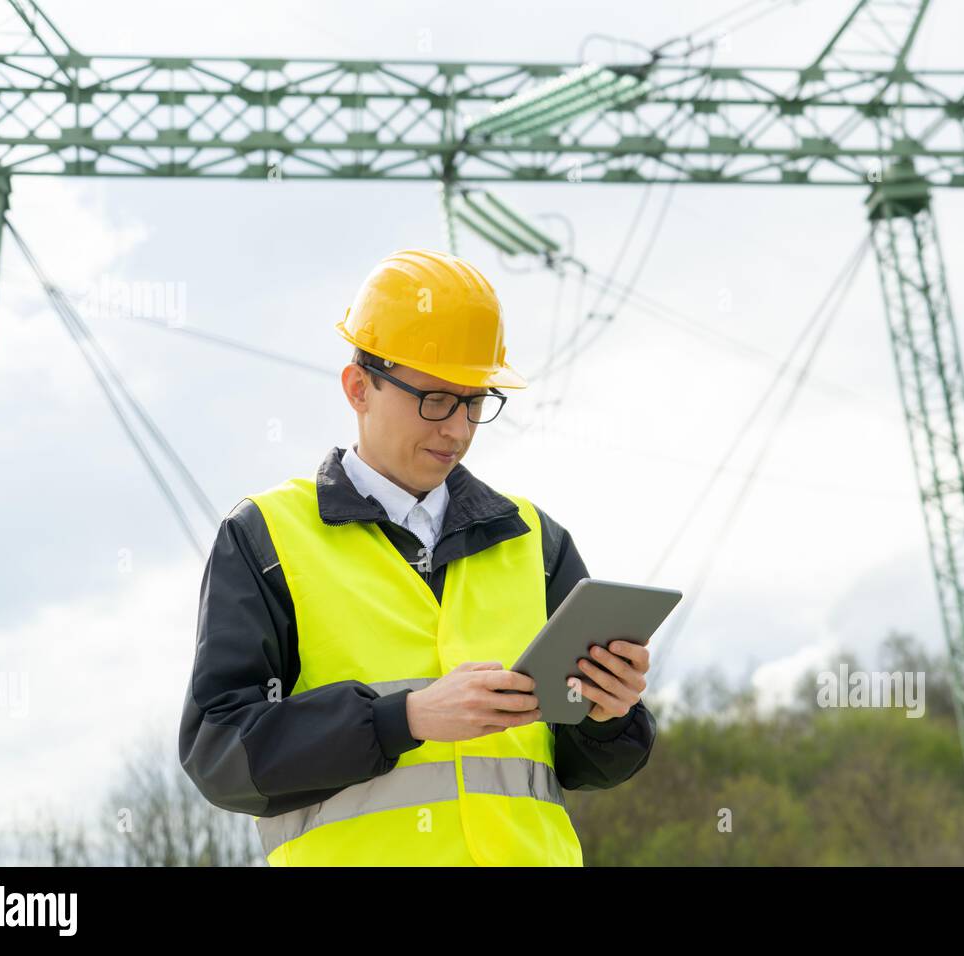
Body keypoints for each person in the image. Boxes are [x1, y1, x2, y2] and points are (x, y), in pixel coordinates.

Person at [178, 248, 656, 866]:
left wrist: (608, 714)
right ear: (359, 388)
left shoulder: (535, 542)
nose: (456, 429)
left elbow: (590, 766)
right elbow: (221, 756)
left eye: (475, 401)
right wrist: (403, 719)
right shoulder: (265, 539)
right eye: (434, 399)